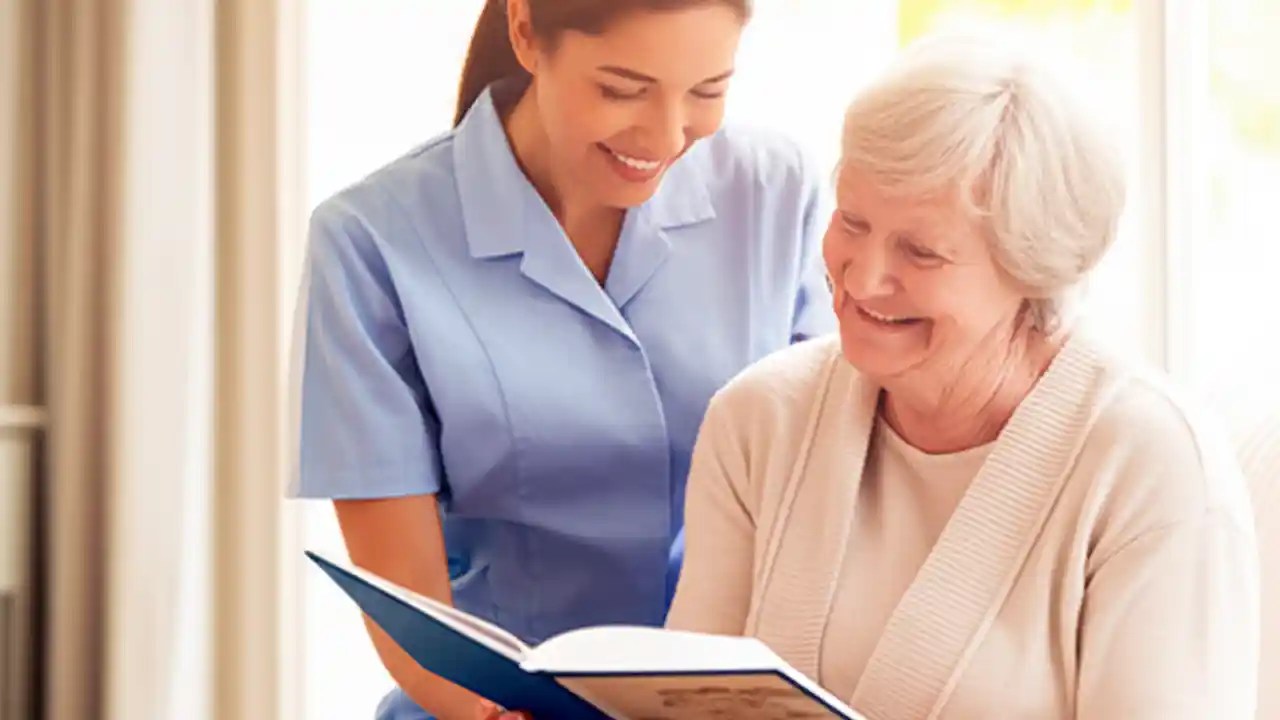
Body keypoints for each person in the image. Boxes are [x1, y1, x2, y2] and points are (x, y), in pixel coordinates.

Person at [667, 33, 1261, 719]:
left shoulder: (1151, 468)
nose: (863, 277)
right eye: (852, 222)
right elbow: (678, 704)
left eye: (920, 252)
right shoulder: (759, 418)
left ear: (1031, 267)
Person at [288, 0, 835, 718]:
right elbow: (411, 609)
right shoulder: (370, 244)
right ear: (525, 30)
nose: (668, 136)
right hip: (494, 705)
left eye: (708, 91)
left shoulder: (776, 192)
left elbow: (829, 490)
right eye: (622, 89)